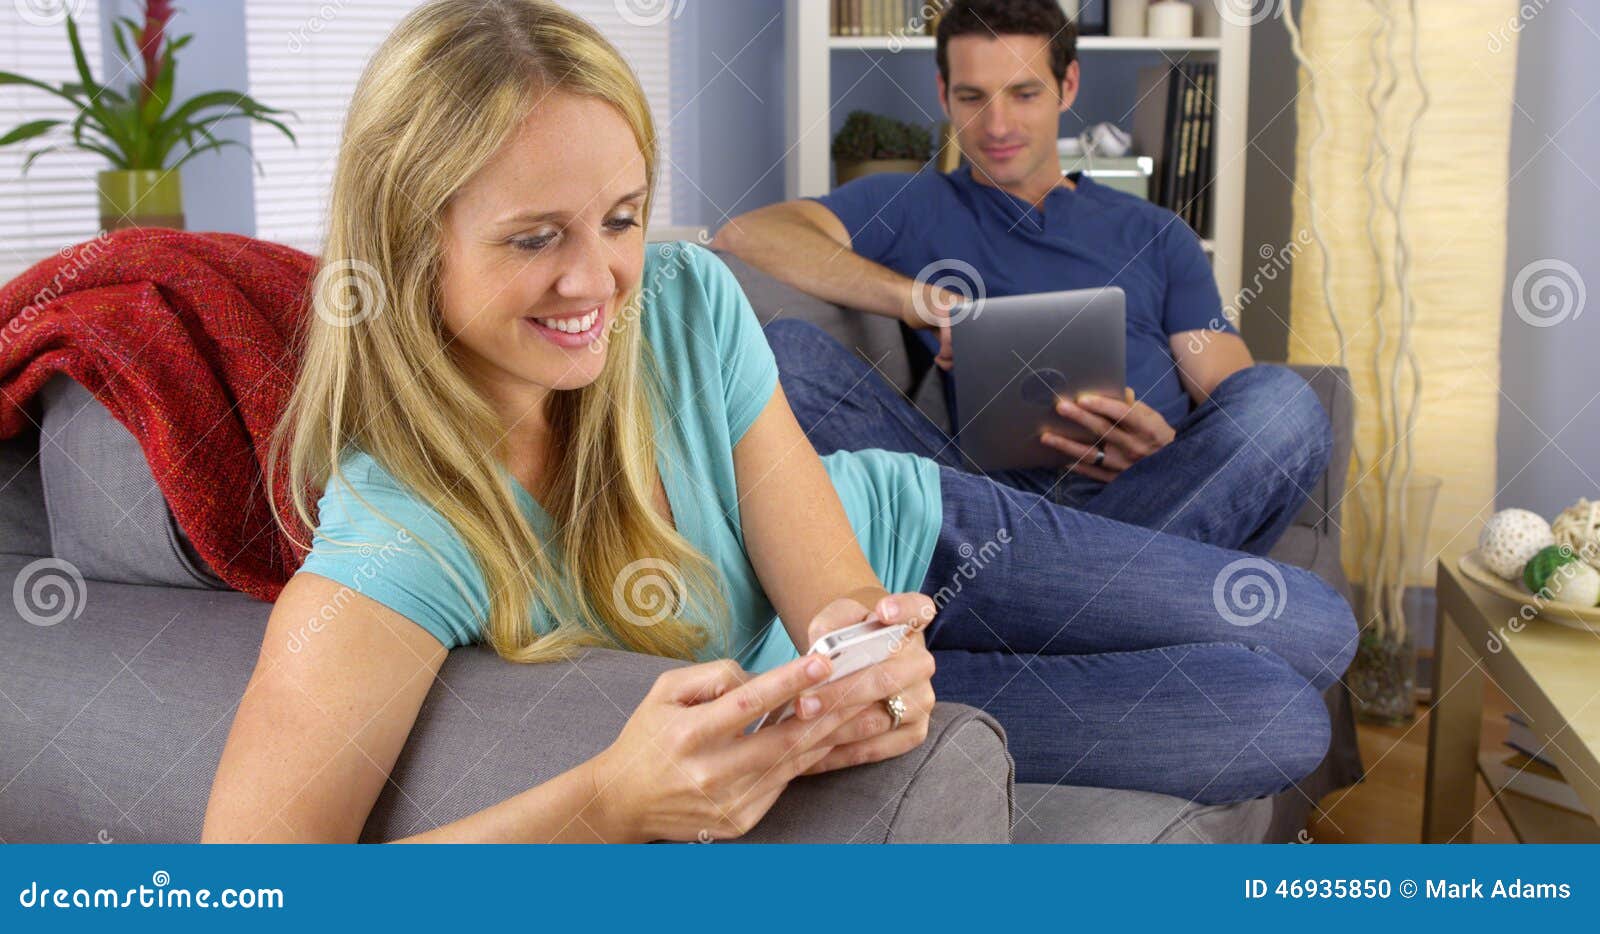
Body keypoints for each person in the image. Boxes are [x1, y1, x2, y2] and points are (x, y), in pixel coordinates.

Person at [204, 0, 1354, 844]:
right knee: (1267, 713)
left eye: (617, 217)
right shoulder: (398, 536)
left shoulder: (684, 299)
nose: (599, 279)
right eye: (532, 237)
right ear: (411, 241)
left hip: (918, 522)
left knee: (1306, 619)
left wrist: (872, 640)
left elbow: (833, 584)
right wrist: (606, 799)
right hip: (811, 702)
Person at [713, 0, 1332, 557]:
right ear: (943, 92)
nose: (998, 125)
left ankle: (1043, 586)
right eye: (973, 97)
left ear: (1068, 85)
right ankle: (1107, 587)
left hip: (1150, 490)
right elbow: (748, 234)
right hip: (982, 504)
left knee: (1284, 403)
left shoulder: (1156, 233)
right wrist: (914, 300)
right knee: (789, 353)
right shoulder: (910, 203)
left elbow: (1234, 394)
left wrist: (1169, 449)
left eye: (1024, 94)